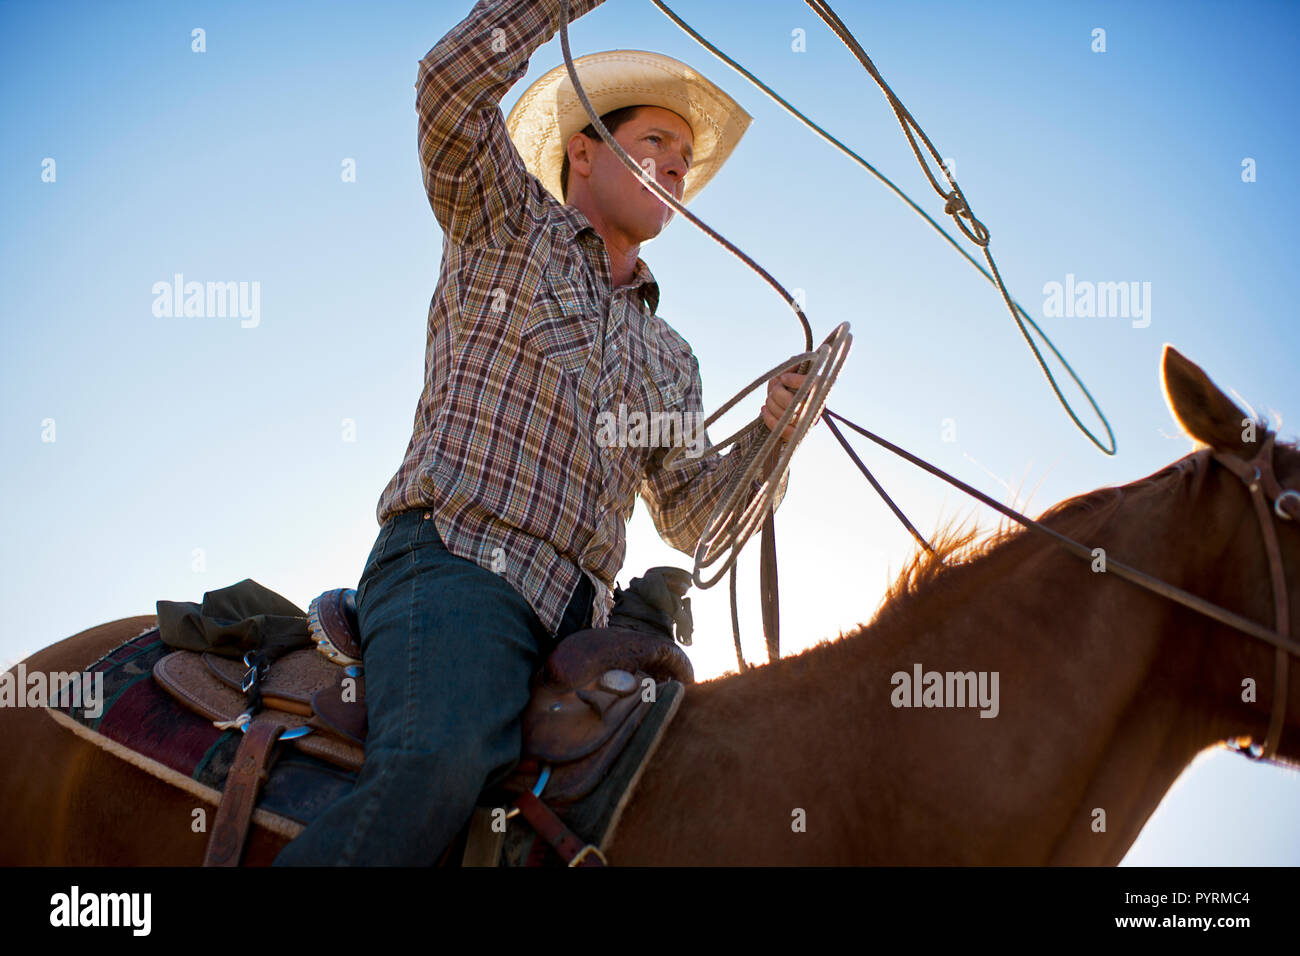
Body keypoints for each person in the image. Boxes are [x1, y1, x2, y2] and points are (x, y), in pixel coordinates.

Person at [274, 0, 807, 866]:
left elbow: (698, 518)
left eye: (685, 157)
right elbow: (447, 86)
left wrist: (775, 432)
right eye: (656, 142)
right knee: (434, 764)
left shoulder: (670, 356)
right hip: (456, 565)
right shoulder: (504, 226)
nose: (676, 165)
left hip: (583, 625)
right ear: (584, 151)